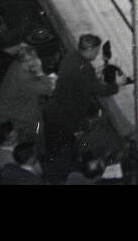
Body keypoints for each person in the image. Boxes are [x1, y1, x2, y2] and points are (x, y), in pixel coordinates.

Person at [43, 34, 112, 181]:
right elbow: (101, 91)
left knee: (54, 147)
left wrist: (92, 77)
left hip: (53, 109)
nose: (97, 54)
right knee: (65, 148)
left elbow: (79, 79)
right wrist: (118, 84)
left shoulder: (71, 56)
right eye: (96, 50)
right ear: (90, 49)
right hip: (66, 116)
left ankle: (56, 171)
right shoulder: (86, 69)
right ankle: (62, 176)